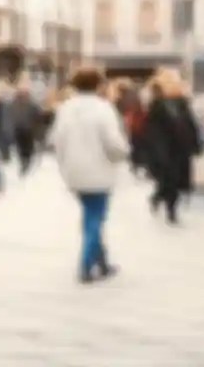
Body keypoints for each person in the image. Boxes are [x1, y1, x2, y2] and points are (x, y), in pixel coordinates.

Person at [48, 65, 129, 284]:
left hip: (74, 171)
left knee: (91, 214)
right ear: (99, 85)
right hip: (99, 170)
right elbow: (113, 143)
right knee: (95, 217)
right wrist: (123, 153)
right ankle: (85, 264)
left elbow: (56, 139)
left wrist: (64, 164)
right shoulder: (104, 109)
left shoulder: (65, 108)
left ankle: (101, 262)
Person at [143, 69, 203, 225]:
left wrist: (196, 143)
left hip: (181, 148)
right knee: (169, 179)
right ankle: (170, 209)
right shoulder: (156, 104)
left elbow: (191, 124)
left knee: (177, 180)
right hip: (165, 148)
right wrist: (157, 150)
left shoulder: (183, 103)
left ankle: (160, 199)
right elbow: (153, 130)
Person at [6, 74, 41, 177]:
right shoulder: (13, 102)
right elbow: (10, 113)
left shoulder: (32, 103)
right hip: (18, 128)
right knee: (21, 148)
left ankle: (26, 162)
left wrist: (37, 129)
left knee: (28, 148)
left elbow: (37, 116)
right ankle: (23, 163)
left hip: (29, 129)